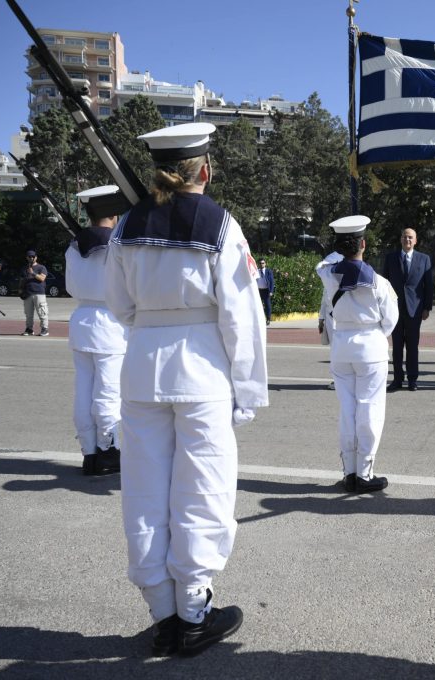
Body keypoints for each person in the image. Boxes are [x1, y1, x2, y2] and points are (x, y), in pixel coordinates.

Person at [105, 122, 268, 657]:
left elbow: (119, 306)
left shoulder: (126, 226)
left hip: (142, 367)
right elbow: (242, 316)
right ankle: (194, 611)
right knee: (203, 488)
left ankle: (163, 614)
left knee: (144, 491)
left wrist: (154, 326)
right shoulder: (219, 223)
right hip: (201, 370)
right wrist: (248, 389)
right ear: (204, 169)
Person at [316, 215, 398, 493]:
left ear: (339, 247)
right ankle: (364, 472)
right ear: (363, 244)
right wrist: (373, 333)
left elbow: (323, 263)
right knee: (370, 409)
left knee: (347, 410)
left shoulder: (329, 275)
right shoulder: (379, 282)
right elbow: (390, 320)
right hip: (370, 346)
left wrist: (340, 251)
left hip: (341, 346)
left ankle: (349, 472)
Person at [67, 185, 130, 476]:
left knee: (84, 391)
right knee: (108, 392)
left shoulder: (73, 246)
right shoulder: (118, 244)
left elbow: (70, 286)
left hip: (82, 319)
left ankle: (89, 453)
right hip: (109, 324)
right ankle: (108, 450)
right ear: (114, 215)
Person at [382, 228, 433, 391]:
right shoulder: (390, 258)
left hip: (415, 310)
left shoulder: (424, 259)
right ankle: (397, 379)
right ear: (401, 239)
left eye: (410, 237)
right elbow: (384, 285)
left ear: (415, 240)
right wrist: (384, 308)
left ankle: (412, 379)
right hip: (394, 310)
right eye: (405, 237)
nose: (407, 240)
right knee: (396, 347)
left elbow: (428, 286)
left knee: (412, 347)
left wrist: (427, 307)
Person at [20, 250, 49, 336]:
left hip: (39, 293)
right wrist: (20, 290)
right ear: (27, 258)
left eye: (33, 256)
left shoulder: (41, 267)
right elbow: (22, 280)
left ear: (36, 257)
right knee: (28, 314)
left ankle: (44, 329)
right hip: (27, 293)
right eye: (29, 256)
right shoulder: (24, 268)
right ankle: (29, 329)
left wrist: (33, 273)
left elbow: (42, 278)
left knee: (42, 312)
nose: (31, 258)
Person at [257, 258, 275, 325]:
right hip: (258, 290)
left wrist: (271, 291)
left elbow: (272, 281)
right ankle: (259, 319)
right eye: (260, 263)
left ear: (265, 264)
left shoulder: (268, 271)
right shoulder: (256, 271)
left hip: (266, 290)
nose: (261, 264)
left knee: (267, 305)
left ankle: (268, 319)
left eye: (263, 263)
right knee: (258, 305)